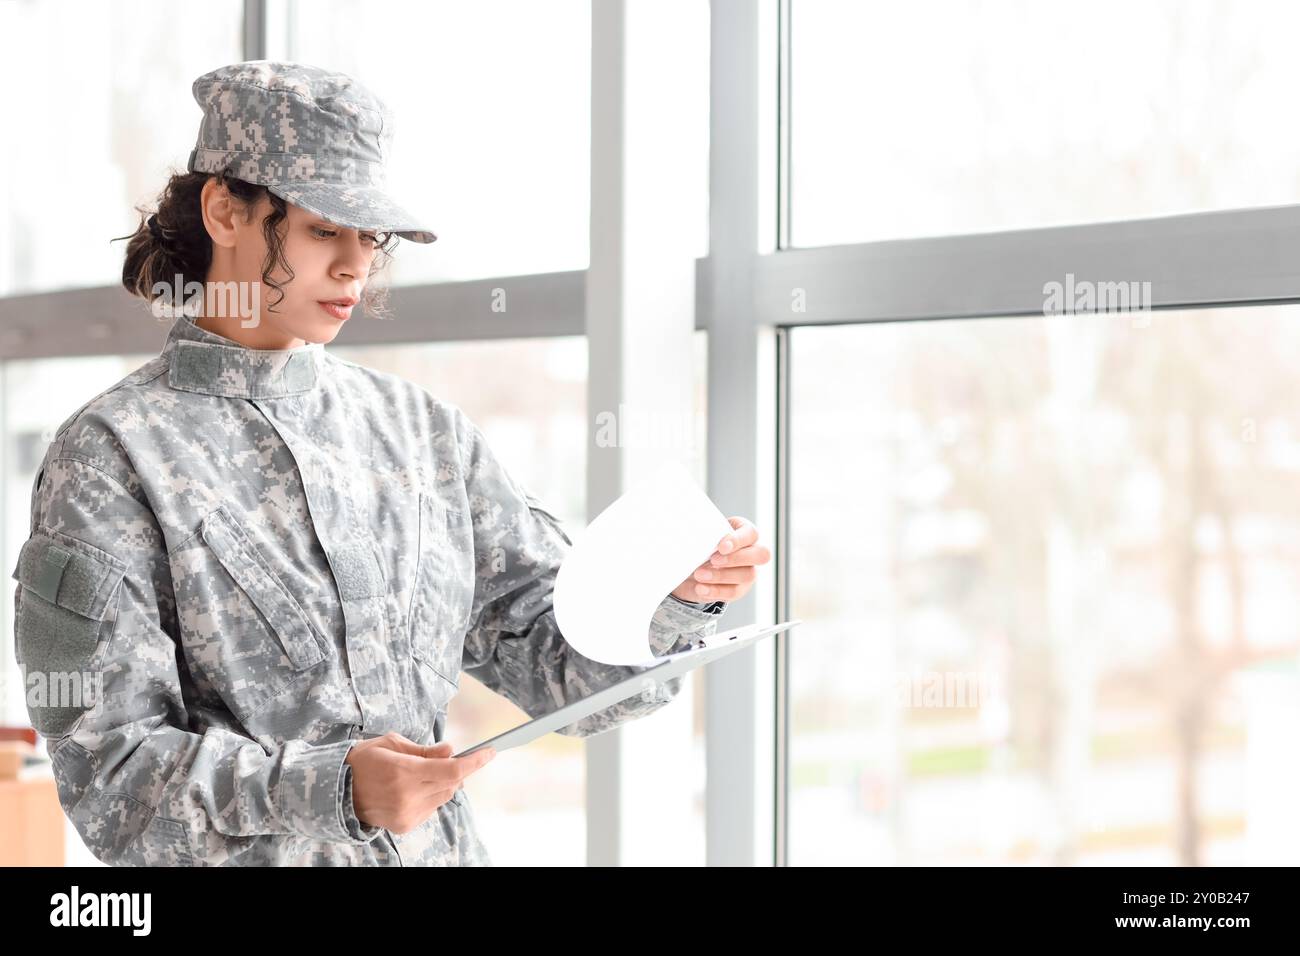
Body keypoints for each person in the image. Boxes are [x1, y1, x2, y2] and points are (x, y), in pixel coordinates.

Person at [10, 60, 771, 866]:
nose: (356, 266)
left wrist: (675, 598)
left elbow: (562, 675)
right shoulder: (110, 457)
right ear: (225, 210)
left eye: (368, 236)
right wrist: (333, 789)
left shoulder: (424, 434)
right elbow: (113, 786)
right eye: (322, 229)